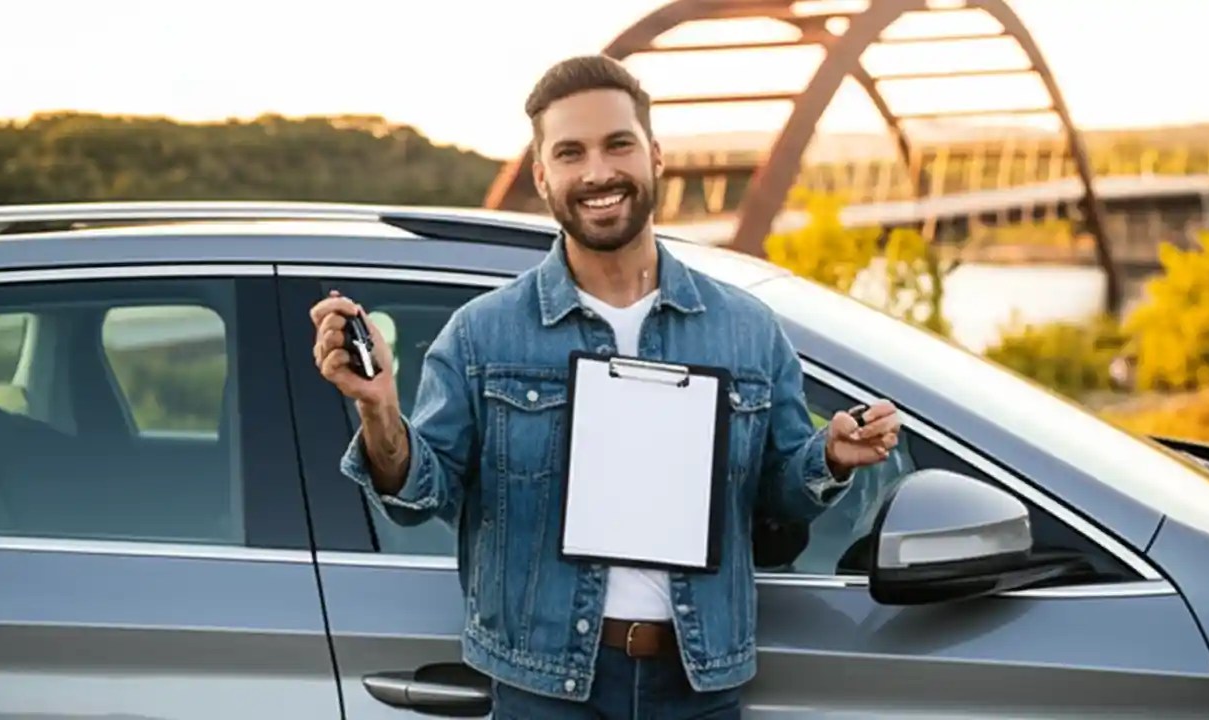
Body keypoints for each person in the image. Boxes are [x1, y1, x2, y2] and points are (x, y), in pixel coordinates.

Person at [310, 54, 901, 719]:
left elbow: (775, 495)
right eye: (570, 153)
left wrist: (829, 456)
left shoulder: (747, 331)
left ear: (655, 156)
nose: (597, 172)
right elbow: (420, 497)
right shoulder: (482, 336)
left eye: (617, 144)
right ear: (542, 175)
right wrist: (381, 411)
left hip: (697, 688)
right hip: (543, 690)